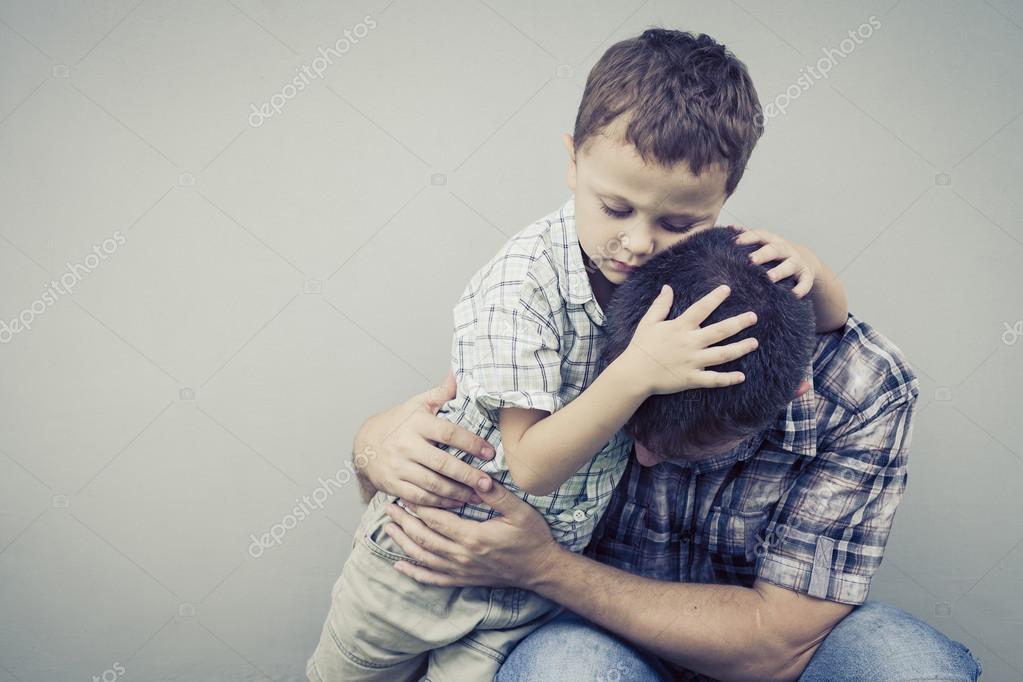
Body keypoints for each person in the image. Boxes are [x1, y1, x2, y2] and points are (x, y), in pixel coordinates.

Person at [306, 28, 852, 682]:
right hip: (418, 565)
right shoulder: (520, 286)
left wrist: (809, 269)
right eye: (614, 206)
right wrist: (635, 372)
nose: (638, 242)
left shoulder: (697, 269)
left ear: (720, 203)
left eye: (677, 223)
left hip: (526, 591)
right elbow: (532, 465)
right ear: (571, 163)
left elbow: (833, 322)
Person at [362, 234, 985, 680]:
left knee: (910, 667)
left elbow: (777, 644)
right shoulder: (581, 314)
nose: (643, 460)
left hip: (777, 654)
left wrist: (541, 567)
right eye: (631, 428)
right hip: (596, 636)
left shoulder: (864, 389)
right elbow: (430, 485)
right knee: (564, 672)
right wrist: (375, 451)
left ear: (790, 391)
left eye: (680, 450)